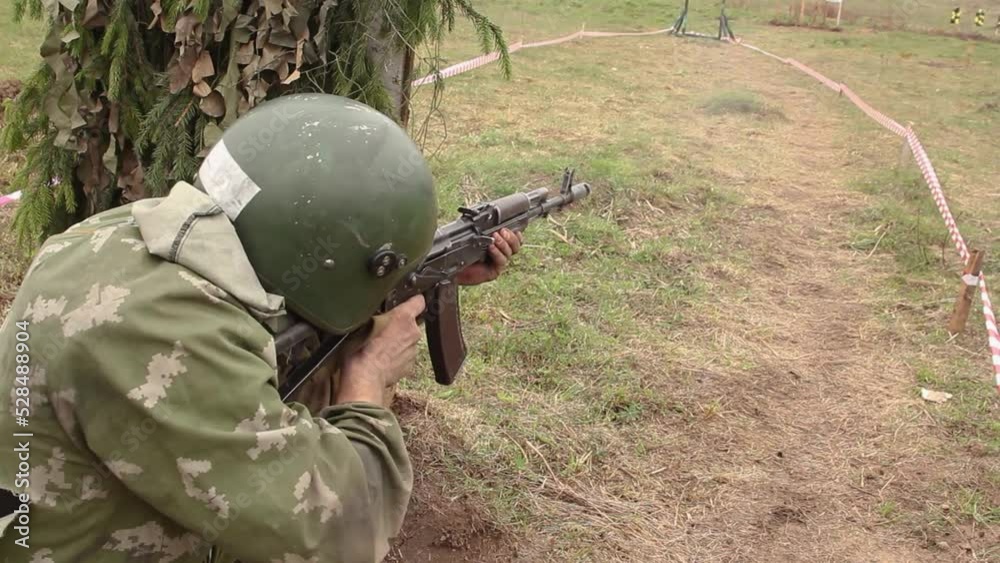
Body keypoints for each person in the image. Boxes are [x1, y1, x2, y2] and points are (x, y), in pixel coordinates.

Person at [0, 94, 523, 562]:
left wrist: (404, 284)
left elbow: (280, 321)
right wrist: (369, 374)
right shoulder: (178, 340)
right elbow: (341, 534)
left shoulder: (119, 233)